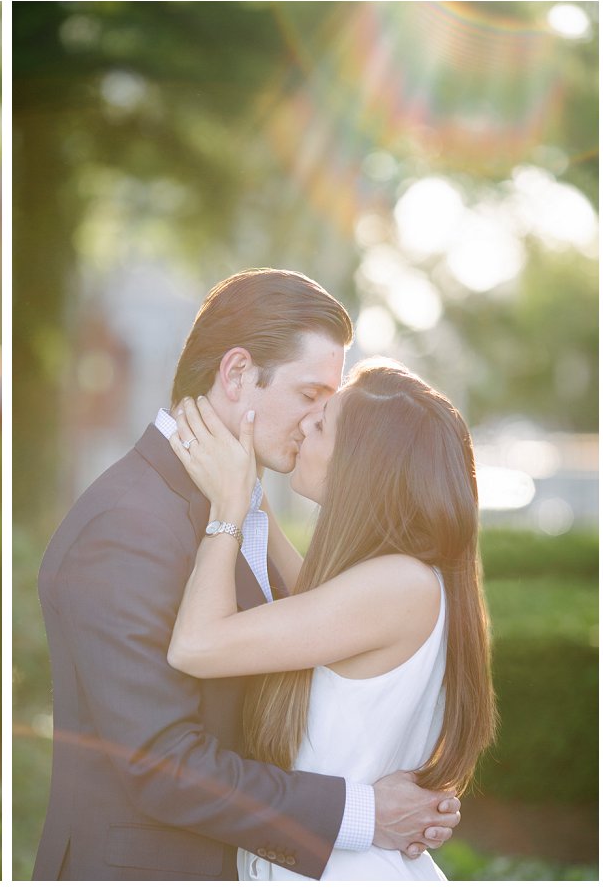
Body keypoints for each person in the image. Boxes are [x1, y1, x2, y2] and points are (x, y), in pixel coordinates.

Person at [34, 268, 462, 881]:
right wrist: (365, 811)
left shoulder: (239, 507)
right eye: (310, 395)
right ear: (237, 374)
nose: (317, 421)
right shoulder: (126, 525)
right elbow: (163, 764)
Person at [162, 357, 496, 880]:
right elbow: (306, 603)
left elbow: (196, 647)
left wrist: (227, 512)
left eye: (320, 424)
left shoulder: (396, 585)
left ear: (362, 463)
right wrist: (248, 490)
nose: (303, 426)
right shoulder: (391, 580)